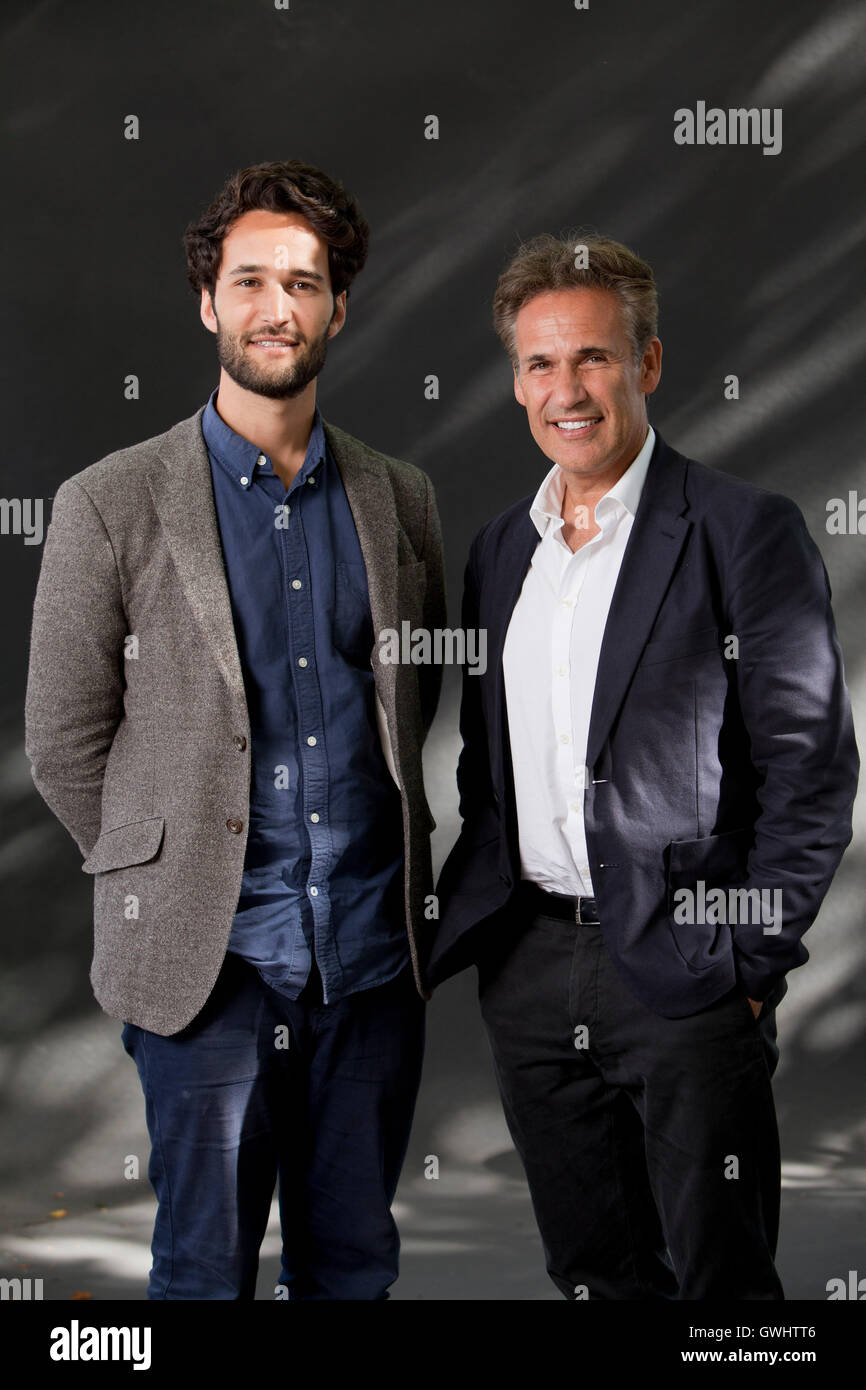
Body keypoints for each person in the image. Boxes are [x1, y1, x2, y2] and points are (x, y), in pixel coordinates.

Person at [25, 159, 446, 1301]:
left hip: (366, 962)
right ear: (208, 301)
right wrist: (162, 869)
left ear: (337, 307)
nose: (277, 308)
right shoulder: (108, 501)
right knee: (204, 1274)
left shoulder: (398, 497)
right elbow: (63, 737)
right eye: (250, 280)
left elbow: (411, 698)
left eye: (304, 283)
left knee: (353, 1267)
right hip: (206, 973)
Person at [428, 232, 858, 1300]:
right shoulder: (498, 552)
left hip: (684, 973)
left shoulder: (739, 531)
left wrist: (746, 966)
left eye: (592, 358)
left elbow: (808, 770)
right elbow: (489, 768)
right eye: (538, 363)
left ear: (646, 364)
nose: (563, 389)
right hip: (527, 964)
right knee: (590, 1271)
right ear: (515, 378)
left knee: (721, 1285)